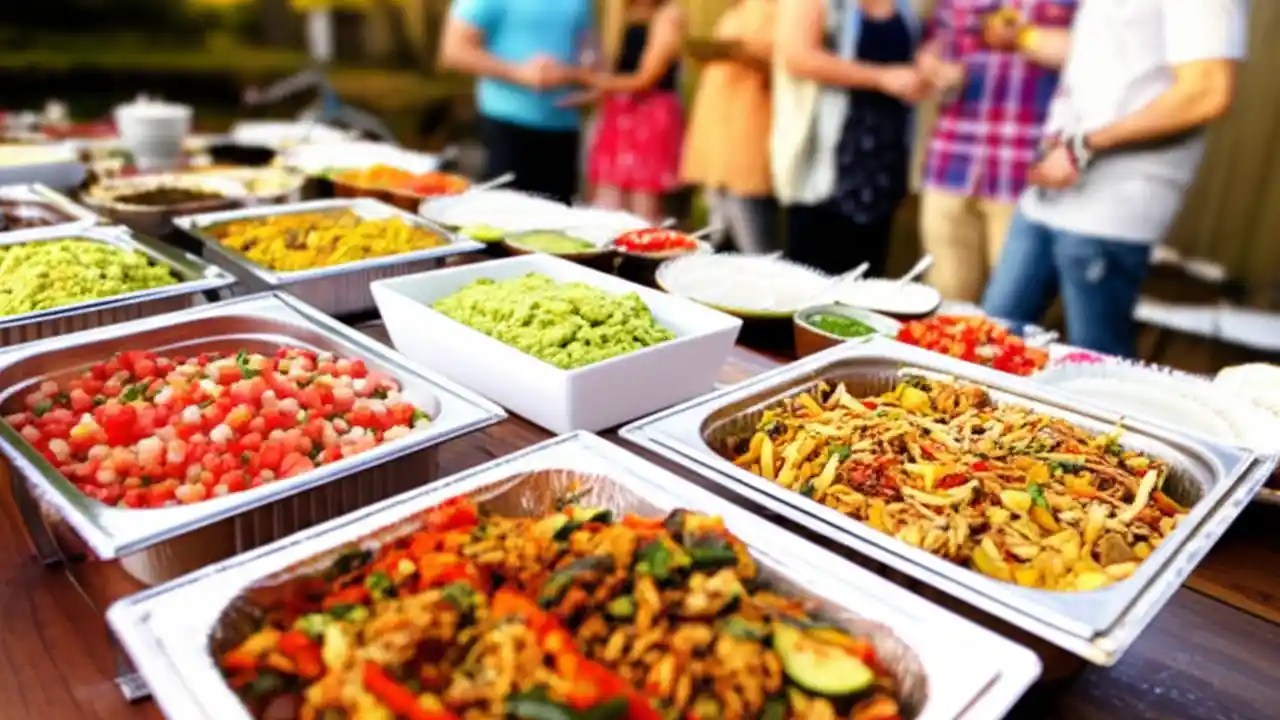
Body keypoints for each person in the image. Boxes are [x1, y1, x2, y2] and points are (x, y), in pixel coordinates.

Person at [982, 0, 1246, 357]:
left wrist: (1082, 146)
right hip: (1050, 195)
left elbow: (1206, 93)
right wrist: (1024, 36)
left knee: (1099, 363)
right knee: (989, 339)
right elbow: (1107, 55)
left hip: (1113, 208)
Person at [916, 0, 1077, 302]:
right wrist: (937, 72)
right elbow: (932, 50)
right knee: (942, 299)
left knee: (1010, 309)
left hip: (1029, 167)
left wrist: (1024, 36)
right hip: (951, 159)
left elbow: (1094, 55)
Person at [775, 0, 927, 277]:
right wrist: (880, 78)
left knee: (868, 280)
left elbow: (917, 57)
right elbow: (797, 57)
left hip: (884, 167)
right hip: (828, 168)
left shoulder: (906, 7)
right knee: (812, 281)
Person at [440, 0, 596, 204]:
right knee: (500, 221)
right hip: (505, 126)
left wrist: (579, 74)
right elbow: (454, 50)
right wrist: (518, 72)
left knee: (557, 226)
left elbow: (592, 53)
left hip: (564, 129)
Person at [568, 0, 686, 223]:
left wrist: (583, 77)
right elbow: (620, 71)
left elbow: (646, 78)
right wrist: (590, 92)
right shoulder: (628, 13)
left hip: (650, 117)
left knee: (644, 203)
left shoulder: (668, 16)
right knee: (607, 200)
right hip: (621, 115)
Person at [681, 0, 780, 254]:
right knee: (716, 237)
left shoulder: (784, 8)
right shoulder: (737, 10)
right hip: (717, 135)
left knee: (755, 246)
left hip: (749, 133)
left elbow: (785, 66)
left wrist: (739, 50)